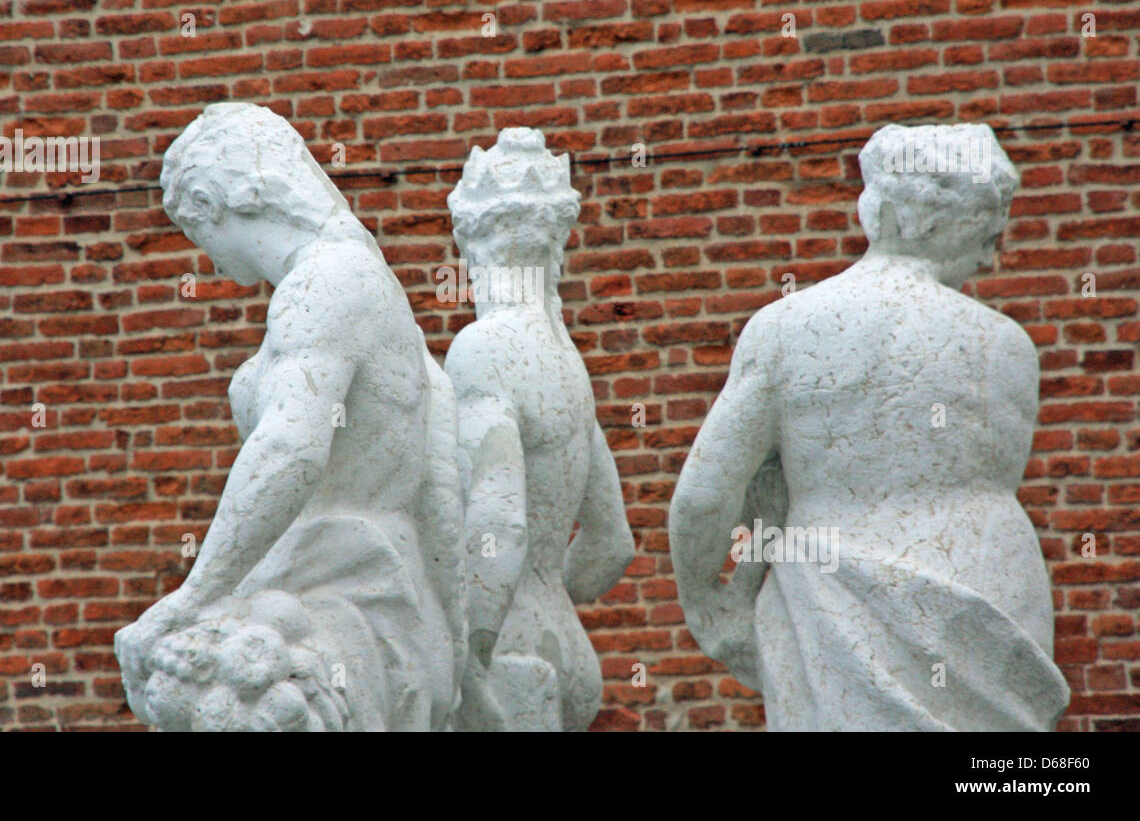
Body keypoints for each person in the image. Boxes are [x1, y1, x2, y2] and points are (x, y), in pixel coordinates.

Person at [670, 123, 1070, 731]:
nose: (992, 256)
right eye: (985, 231)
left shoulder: (784, 329)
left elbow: (703, 495)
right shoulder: (1007, 345)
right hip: (989, 590)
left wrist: (709, 610)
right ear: (924, 220)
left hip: (834, 594)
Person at [115, 103, 466, 731]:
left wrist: (193, 596)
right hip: (332, 585)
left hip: (336, 594)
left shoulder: (322, 286)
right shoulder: (359, 279)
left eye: (199, 236)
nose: (213, 264)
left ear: (216, 203)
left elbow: (290, 451)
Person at [445, 128, 635, 731]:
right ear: (556, 253)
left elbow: (498, 526)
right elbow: (612, 545)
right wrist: (551, 590)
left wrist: (467, 657)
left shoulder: (483, 350)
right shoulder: (564, 361)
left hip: (507, 654)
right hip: (566, 644)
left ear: (471, 250)